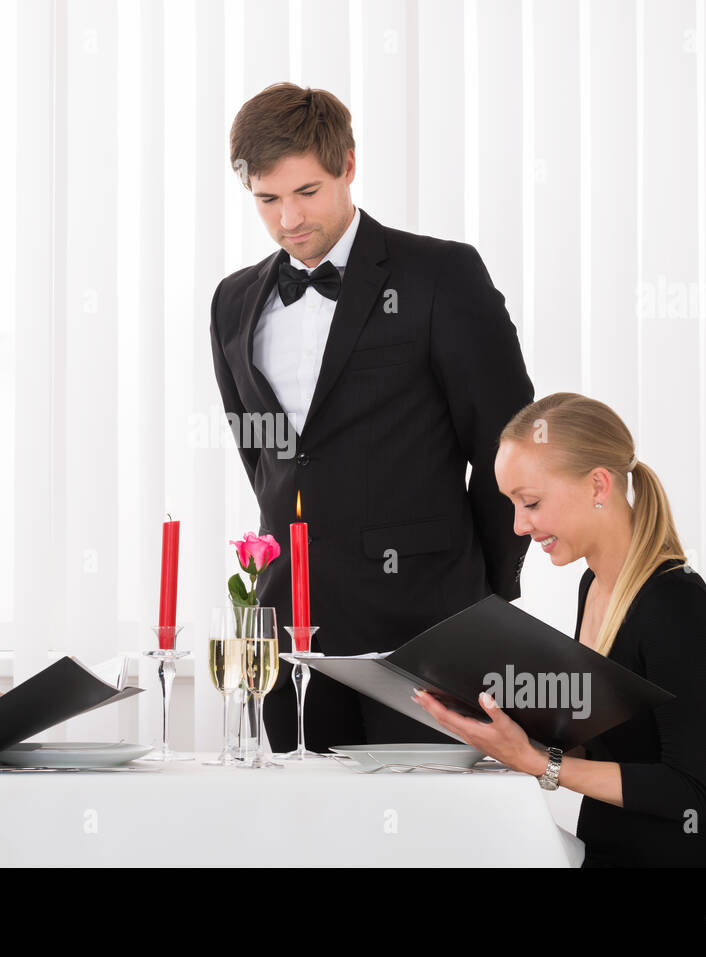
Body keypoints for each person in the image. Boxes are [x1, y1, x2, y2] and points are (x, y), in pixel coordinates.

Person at [210, 82, 534, 752]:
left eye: (306, 192)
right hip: (289, 638)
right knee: (298, 841)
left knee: (431, 845)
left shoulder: (441, 275)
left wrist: (481, 600)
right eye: (267, 200)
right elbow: (266, 457)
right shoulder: (233, 301)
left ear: (348, 166)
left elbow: (510, 447)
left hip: (428, 635)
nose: (287, 220)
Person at [414, 392, 706, 866]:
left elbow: (690, 792)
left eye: (530, 502)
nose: (519, 526)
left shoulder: (674, 603)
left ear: (598, 486)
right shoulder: (594, 584)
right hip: (603, 850)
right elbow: (608, 739)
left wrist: (538, 763)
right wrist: (498, 720)